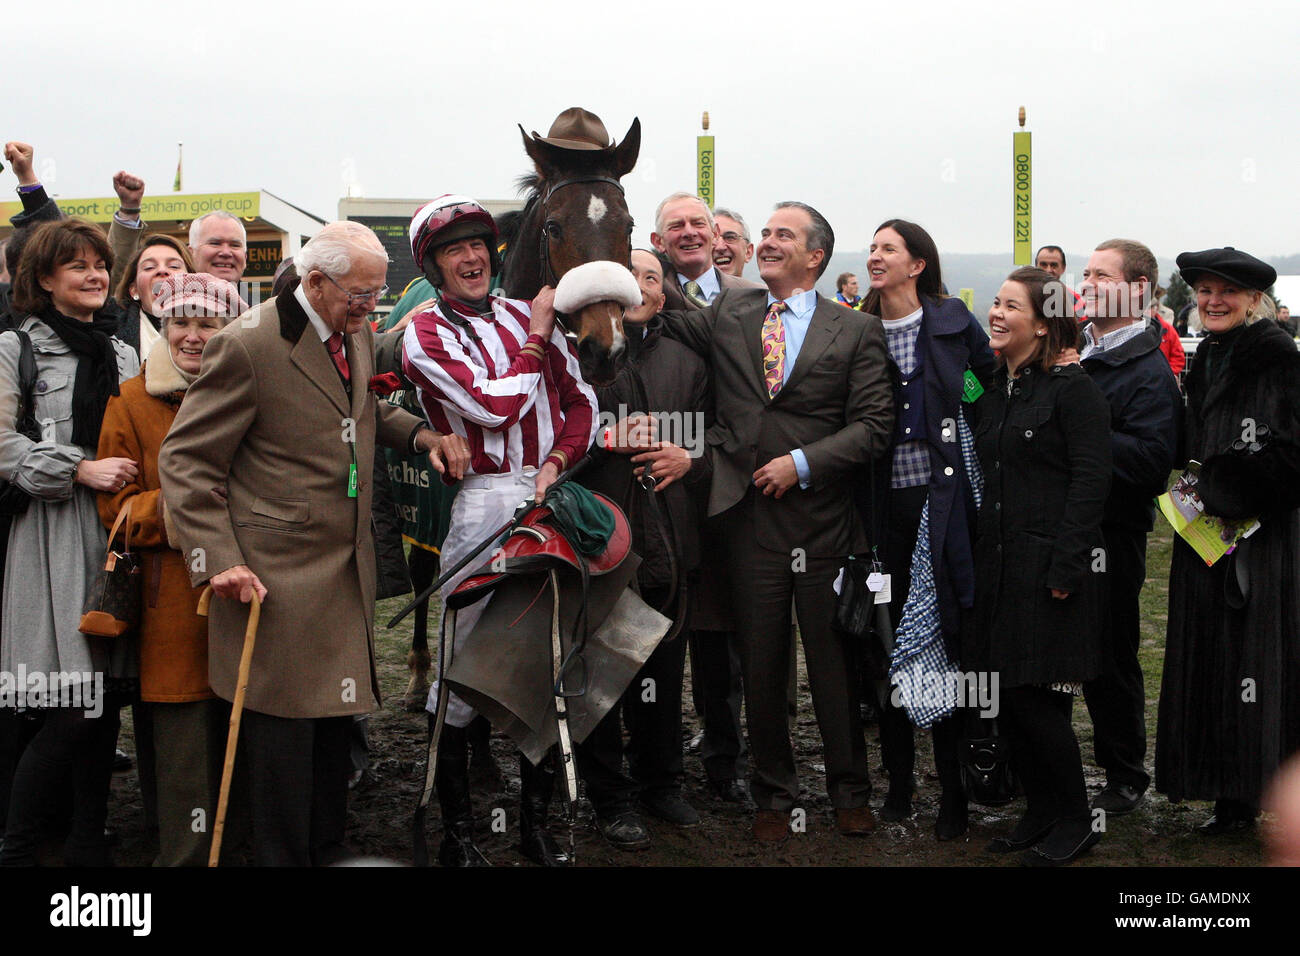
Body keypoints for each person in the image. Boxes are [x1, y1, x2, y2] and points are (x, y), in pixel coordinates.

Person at [158, 221, 452, 866]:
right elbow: (186, 461)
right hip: (274, 579)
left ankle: (327, 850)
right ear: (315, 282)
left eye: (377, 293)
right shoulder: (248, 345)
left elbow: (360, 409)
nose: (370, 306)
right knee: (283, 743)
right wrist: (220, 563)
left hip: (345, 568)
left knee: (330, 731)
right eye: (360, 294)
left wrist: (419, 437)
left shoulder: (354, 330)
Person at [660, 201, 894, 842]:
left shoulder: (853, 331)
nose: (765, 242)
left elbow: (874, 428)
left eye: (781, 235)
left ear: (816, 256)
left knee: (832, 669)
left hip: (823, 525)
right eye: (763, 232)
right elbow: (667, 313)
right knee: (761, 667)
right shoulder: (730, 313)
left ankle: (850, 791)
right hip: (748, 525)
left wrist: (801, 463)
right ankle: (773, 794)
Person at [400, 194, 597, 865]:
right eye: (454, 248)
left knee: (545, 661)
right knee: (461, 671)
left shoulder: (523, 313)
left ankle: (534, 830)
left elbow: (581, 403)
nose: (472, 257)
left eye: (478, 244)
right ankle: (455, 834)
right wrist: (540, 336)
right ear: (433, 264)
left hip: (548, 494)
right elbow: (492, 407)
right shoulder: (423, 334)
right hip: (483, 502)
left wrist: (557, 464)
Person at [0, 218, 141, 866]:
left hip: (117, 537)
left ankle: (88, 846)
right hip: (53, 534)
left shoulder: (122, 353)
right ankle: (20, 849)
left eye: (99, 264)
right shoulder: (14, 349)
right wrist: (79, 469)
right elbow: (2, 443)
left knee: (105, 702)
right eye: (76, 265)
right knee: (68, 706)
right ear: (44, 277)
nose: (93, 274)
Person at [96, 272, 246, 865]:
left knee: (242, 735)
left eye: (206, 324)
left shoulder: (248, 392)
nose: (191, 335)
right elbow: (117, 513)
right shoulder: (131, 401)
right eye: (179, 322)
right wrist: (195, 502)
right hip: (174, 604)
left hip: (246, 595)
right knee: (181, 749)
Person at [968, 266, 1112, 866]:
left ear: (1043, 323)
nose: (996, 315)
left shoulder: (1073, 390)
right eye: (994, 305)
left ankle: (1076, 820)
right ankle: (1041, 811)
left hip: (1050, 568)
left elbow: (1091, 480)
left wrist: (1066, 566)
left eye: (1009, 307)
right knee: (1010, 693)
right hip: (998, 565)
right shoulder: (996, 385)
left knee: (1040, 699)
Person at [857, 219, 996, 839]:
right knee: (884, 640)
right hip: (877, 507)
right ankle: (898, 784)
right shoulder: (855, 326)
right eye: (872, 248)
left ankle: (955, 794)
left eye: (888, 248)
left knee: (944, 637)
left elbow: (986, 390)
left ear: (917, 263)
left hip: (943, 508)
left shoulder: (952, 320)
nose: (874, 256)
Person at [1156, 247, 1300, 835]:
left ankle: (1265, 792)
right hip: (1208, 539)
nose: (1213, 301)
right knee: (1214, 660)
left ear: (1253, 300)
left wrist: (1231, 485)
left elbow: (1291, 454)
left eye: (1226, 292)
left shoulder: (1275, 356)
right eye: (1205, 291)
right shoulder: (1210, 353)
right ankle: (1228, 797)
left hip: (1263, 543)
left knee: (1256, 665)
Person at [576, 249, 710, 845]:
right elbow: (554, 434)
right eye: (627, 276)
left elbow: (717, 429)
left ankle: (663, 784)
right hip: (603, 535)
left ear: (660, 293)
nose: (638, 286)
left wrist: (687, 450)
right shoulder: (579, 356)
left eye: (649, 277)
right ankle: (609, 796)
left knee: (662, 663)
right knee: (603, 666)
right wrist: (606, 438)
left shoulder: (687, 356)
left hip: (671, 534)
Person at [653, 192, 759, 808]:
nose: (693, 234)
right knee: (654, 637)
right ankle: (655, 765)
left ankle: (727, 763)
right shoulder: (641, 292)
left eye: (702, 224)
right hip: (658, 489)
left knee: (723, 644)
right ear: (661, 239)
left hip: (727, 487)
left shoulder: (748, 299)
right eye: (678, 226)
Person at [1077, 239, 1182, 816]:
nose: (1085, 282)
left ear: (1137, 290)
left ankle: (1124, 774)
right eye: (1084, 272)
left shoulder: (1148, 370)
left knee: (1109, 654)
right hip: (1055, 528)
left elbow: (1150, 463)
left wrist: (1081, 430)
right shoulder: (1072, 348)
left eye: (1100, 274)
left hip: (1110, 535)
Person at [110, 171, 247, 287]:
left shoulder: (260, 314)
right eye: (215, 243)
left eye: (235, 245)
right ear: (191, 253)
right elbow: (119, 278)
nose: (226, 252)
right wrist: (129, 210)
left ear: (245, 257)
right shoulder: (163, 304)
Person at [651, 193, 759, 310]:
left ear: (715, 233)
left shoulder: (757, 298)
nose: (689, 233)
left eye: (698, 223)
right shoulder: (649, 297)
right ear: (658, 242)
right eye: (676, 226)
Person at [111, 235, 196, 358]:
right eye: (149, 267)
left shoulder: (216, 329)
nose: (162, 270)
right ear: (134, 290)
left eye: (174, 266)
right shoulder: (112, 329)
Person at [711, 208, 754, 278]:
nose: (720, 247)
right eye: (713, 238)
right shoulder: (689, 288)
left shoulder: (762, 289)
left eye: (730, 237)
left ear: (748, 252)